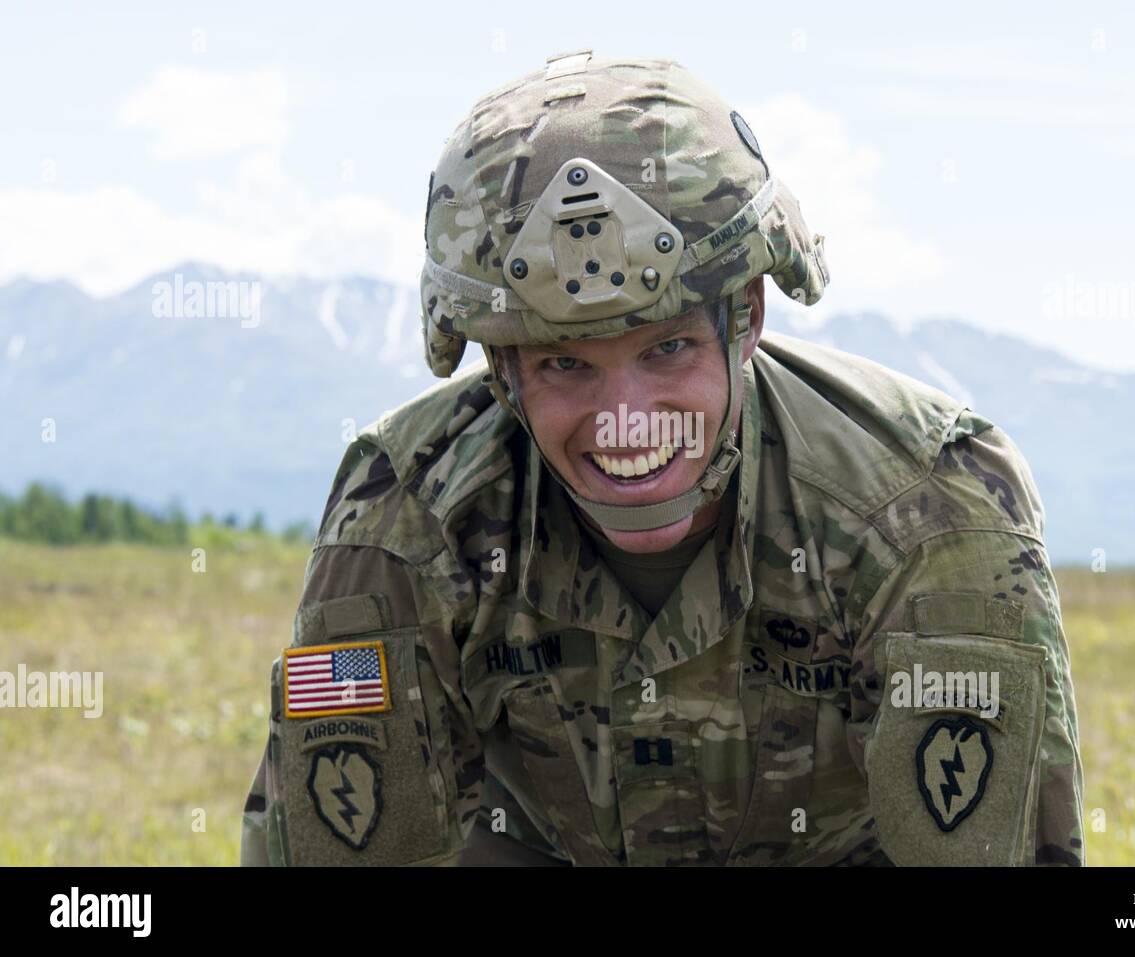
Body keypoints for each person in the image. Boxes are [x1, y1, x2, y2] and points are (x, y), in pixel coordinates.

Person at [240, 50, 1084, 867]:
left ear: (746, 317)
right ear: (503, 370)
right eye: (565, 364)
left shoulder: (926, 510)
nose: (626, 421)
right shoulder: (404, 517)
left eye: (669, 348)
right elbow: (344, 847)